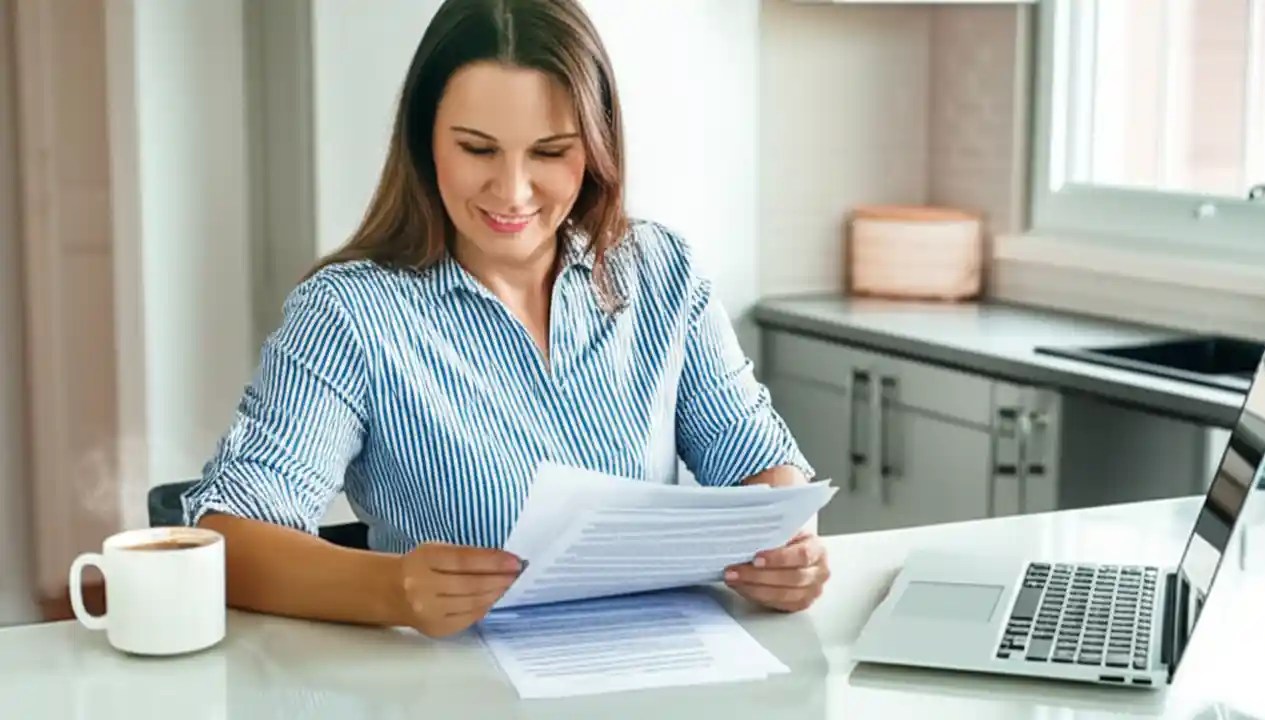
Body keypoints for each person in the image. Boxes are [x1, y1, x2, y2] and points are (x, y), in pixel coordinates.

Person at [183, 0, 827, 639]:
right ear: (425, 139)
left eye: (549, 153)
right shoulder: (350, 313)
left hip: (652, 679)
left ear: (597, 147)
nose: (512, 191)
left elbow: (760, 467)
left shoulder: (662, 271)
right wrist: (390, 589)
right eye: (478, 149)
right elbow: (228, 541)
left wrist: (788, 550)